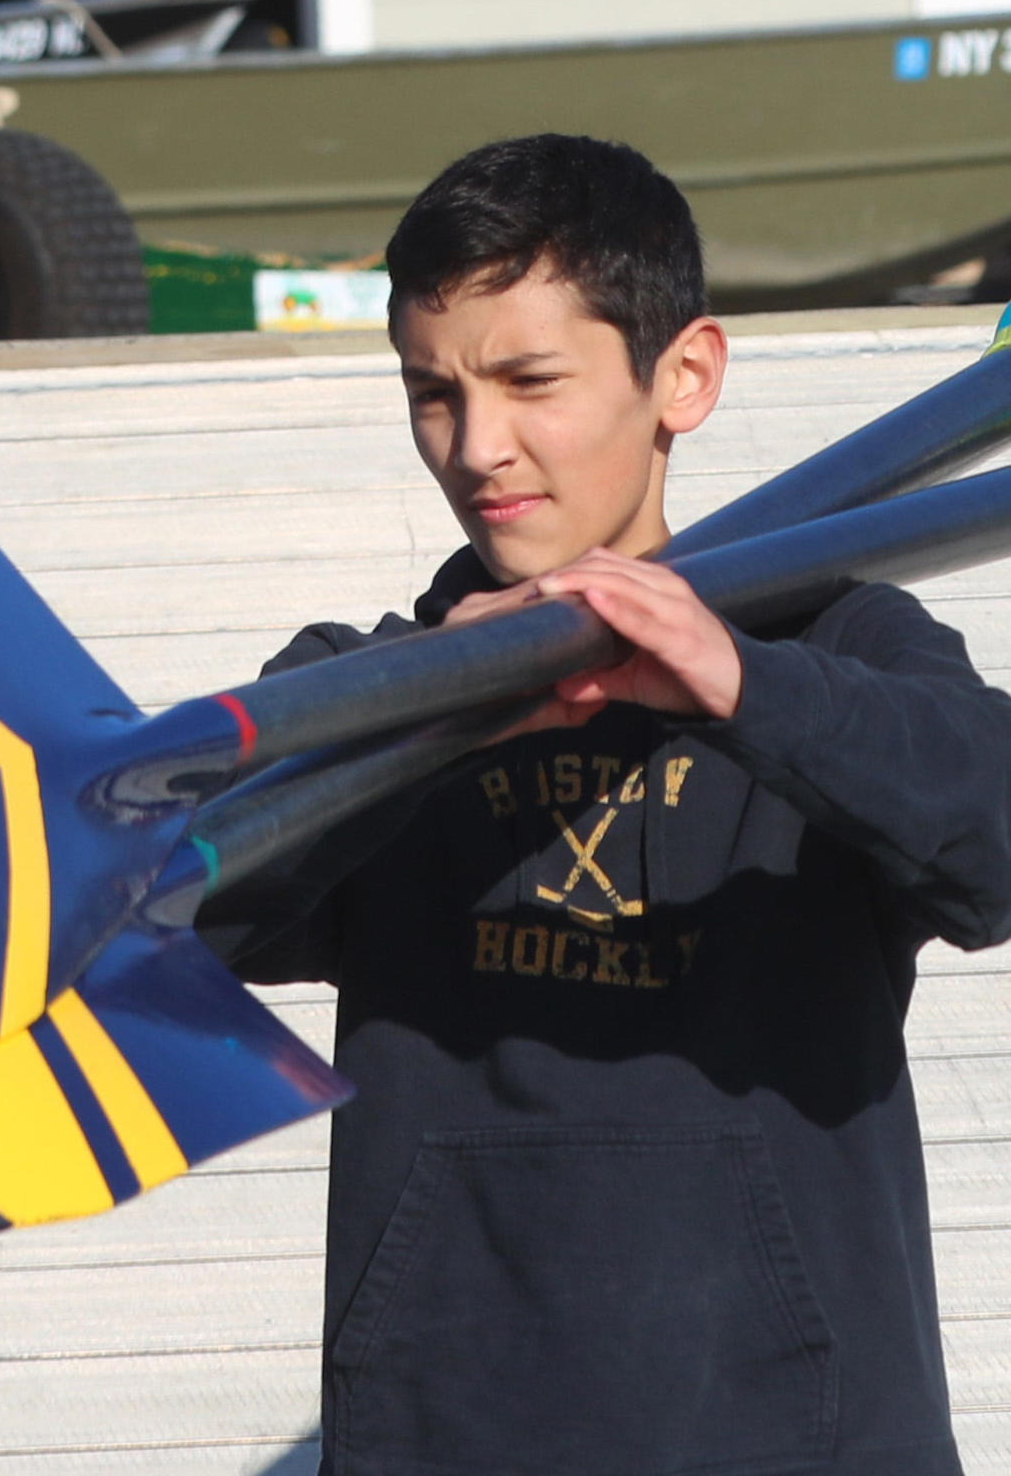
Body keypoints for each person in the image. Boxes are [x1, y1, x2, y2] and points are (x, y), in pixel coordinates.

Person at [204, 133, 1011, 1474]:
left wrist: (741, 683)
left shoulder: (840, 647)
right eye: (432, 392)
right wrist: (439, 711)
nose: (477, 447)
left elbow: (994, 841)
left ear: (680, 375)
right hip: (441, 1433)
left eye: (529, 381)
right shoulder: (352, 686)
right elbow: (165, 907)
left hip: (805, 1437)